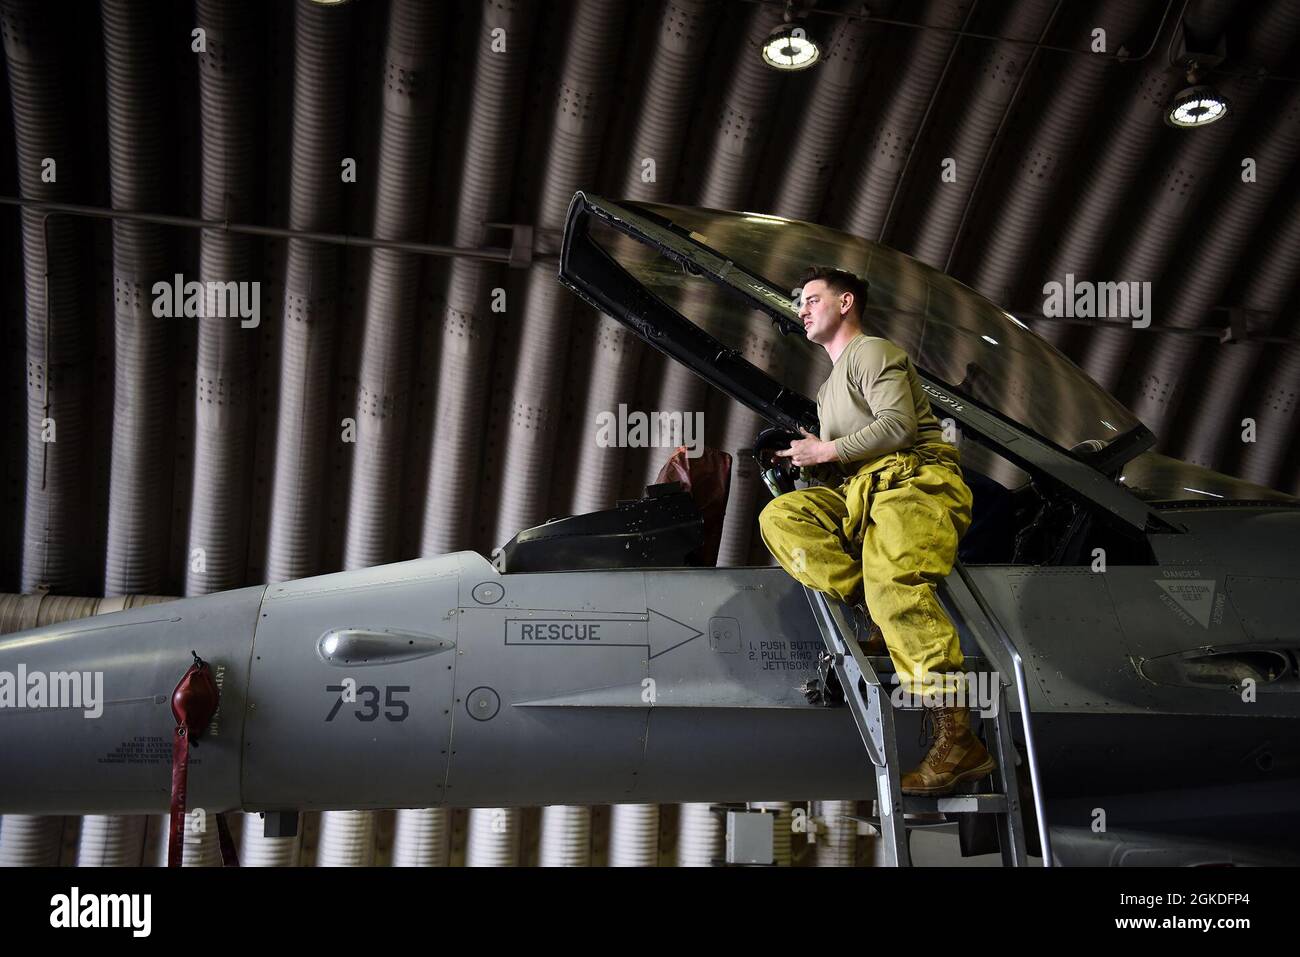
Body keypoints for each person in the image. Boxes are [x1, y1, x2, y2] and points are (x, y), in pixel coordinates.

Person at [757, 265, 995, 796]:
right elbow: (850, 455)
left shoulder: (873, 352)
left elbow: (897, 427)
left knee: (897, 587)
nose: (802, 308)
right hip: (863, 491)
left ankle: (958, 740)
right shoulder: (827, 389)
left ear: (846, 303)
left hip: (913, 484)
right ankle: (872, 607)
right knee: (782, 517)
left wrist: (828, 448)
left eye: (813, 298)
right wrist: (813, 461)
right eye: (801, 301)